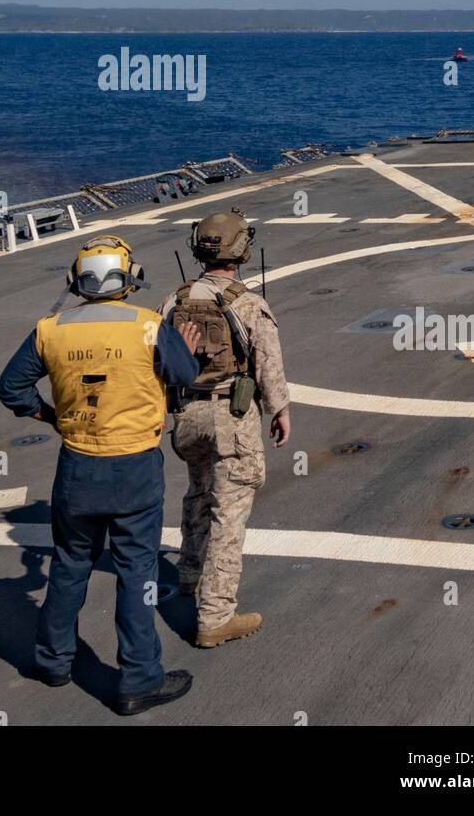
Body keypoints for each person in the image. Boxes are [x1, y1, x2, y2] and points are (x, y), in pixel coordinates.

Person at [0, 234, 201, 715]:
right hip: (134, 467)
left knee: (70, 565)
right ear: (129, 278)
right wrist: (184, 349)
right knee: (137, 572)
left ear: (77, 279)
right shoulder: (148, 326)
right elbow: (186, 377)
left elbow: (11, 388)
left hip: (78, 466)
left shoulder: (50, 330)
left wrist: (48, 416)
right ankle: (139, 680)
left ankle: (52, 662)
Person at [159, 210, 290, 648]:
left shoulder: (173, 301)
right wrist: (280, 410)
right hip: (230, 418)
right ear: (240, 250)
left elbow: (157, 361)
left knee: (197, 490)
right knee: (228, 512)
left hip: (185, 416)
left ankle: (189, 574)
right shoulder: (248, 304)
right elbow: (268, 365)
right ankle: (215, 616)